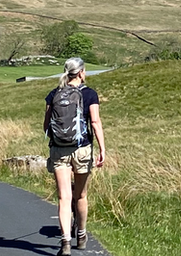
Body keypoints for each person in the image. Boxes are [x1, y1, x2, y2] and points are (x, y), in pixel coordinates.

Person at [44, 57, 106, 256]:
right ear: (81, 73)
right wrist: (103, 149)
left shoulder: (54, 94)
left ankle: (65, 242)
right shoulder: (89, 94)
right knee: (81, 195)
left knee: (63, 197)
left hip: (59, 150)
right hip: (82, 149)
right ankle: (81, 234)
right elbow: (95, 122)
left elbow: (46, 126)